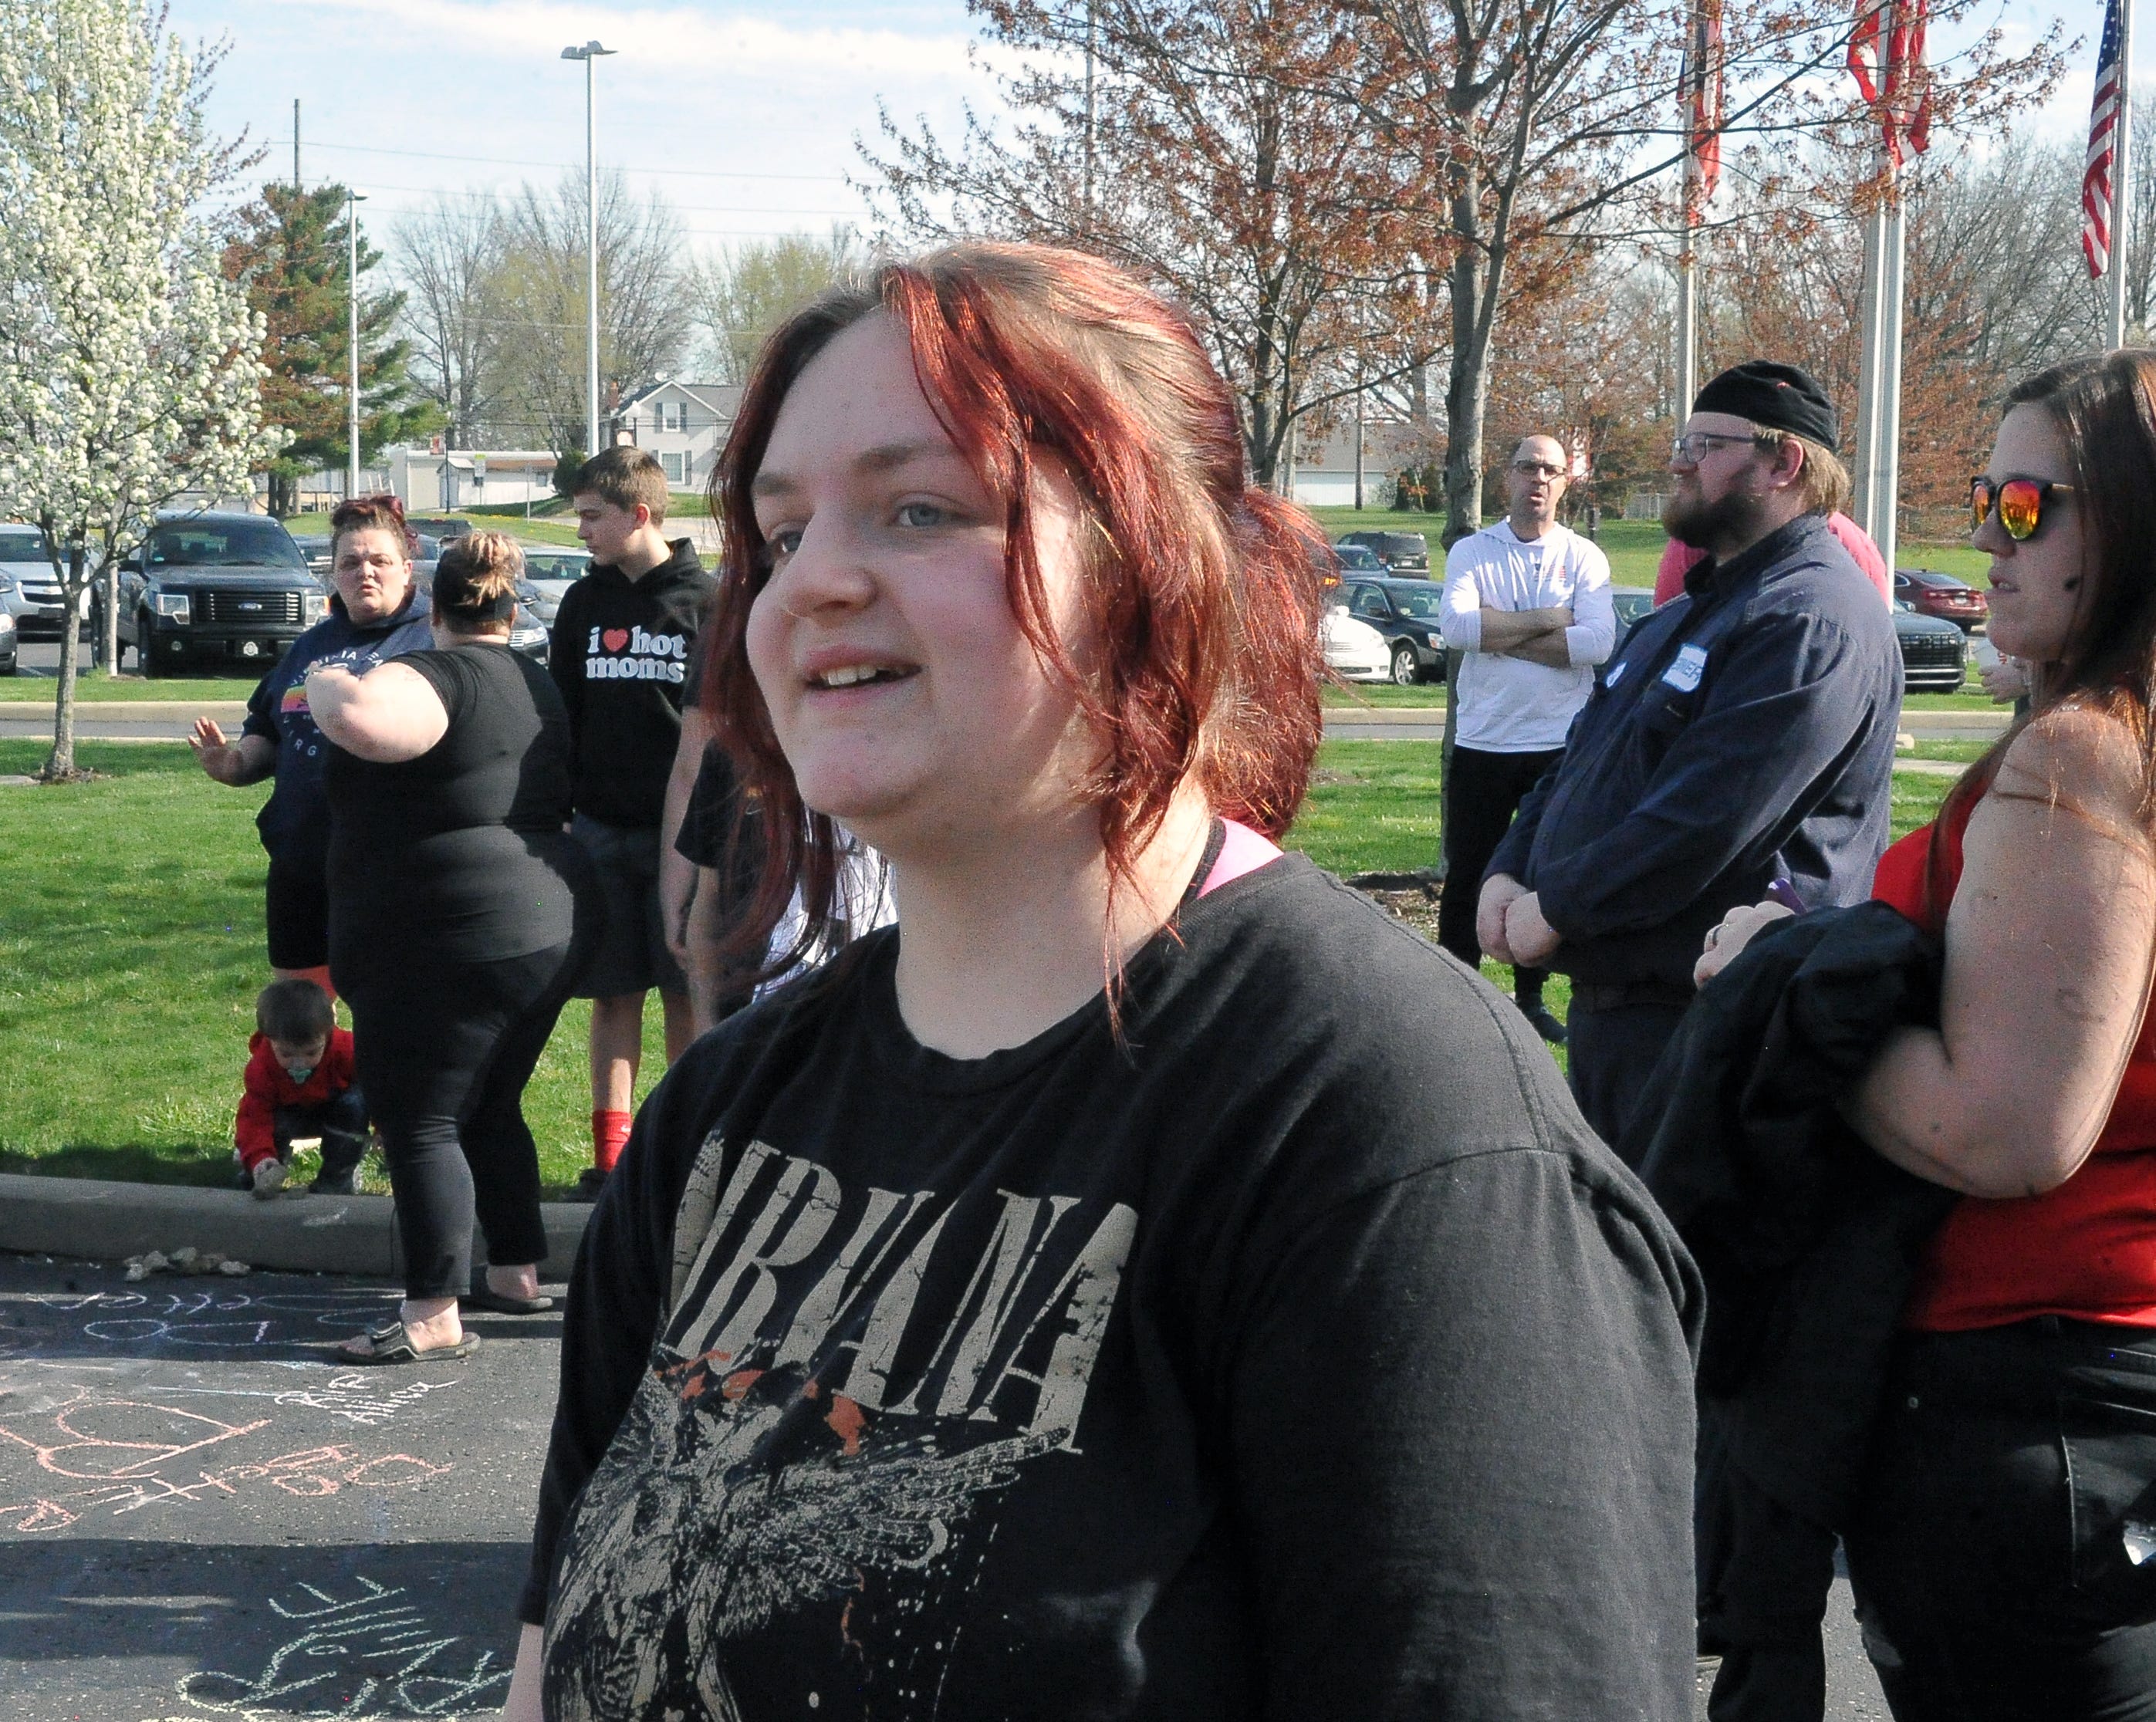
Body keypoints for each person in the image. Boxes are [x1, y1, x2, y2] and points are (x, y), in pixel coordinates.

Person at [501, 242, 1701, 1722]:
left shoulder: (1401, 1141)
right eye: (780, 526)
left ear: (1154, 569)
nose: (813, 581)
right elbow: (558, 1667)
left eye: (919, 507)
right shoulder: (722, 1120)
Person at [1697, 349, 2156, 1719]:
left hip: (2028, 1398)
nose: (1984, 536)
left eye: (2028, 505)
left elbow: (2008, 1127)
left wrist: (1778, 978)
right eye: (1982, 495)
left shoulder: (2084, 753)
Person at [1478, 360, 1904, 1153]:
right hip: (1626, 1020)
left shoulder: (1810, 618)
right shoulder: (1685, 616)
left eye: (1705, 444)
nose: (1678, 461)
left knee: (1681, 1271)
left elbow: (1707, 818)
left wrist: (1558, 906)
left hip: (1714, 1032)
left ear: (1784, 465)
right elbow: (1581, 762)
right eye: (1683, 440)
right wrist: (1508, 865)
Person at [308, 532, 596, 1365]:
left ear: (434, 607)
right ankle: (513, 1272)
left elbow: (364, 724)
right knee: (490, 1104)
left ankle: (432, 1312)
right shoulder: (532, 680)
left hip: (447, 933)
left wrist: (327, 678)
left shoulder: (428, 674)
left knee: (421, 1117)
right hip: (548, 922)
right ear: (511, 608)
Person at [549, 447, 718, 1199]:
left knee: (685, 995)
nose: (580, 529)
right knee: (612, 996)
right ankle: (611, 1157)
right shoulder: (584, 605)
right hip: (599, 832)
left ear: (638, 515)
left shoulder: (702, 602)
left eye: (591, 515)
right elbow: (561, 717)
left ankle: (680, 1152)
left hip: (684, 840)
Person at [188, 493, 433, 998]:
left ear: (407, 570)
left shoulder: (430, 641)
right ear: (333, 574)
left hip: (390, 870)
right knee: (301, 1015)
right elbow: (271, 729)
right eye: (351, 562)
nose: (365, 573)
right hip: (302, 862)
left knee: (389, 1008)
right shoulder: (311, 645)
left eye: (380, 561)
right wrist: (233, 764)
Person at [1436, 432, 1614, 1043]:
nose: (1538, 480)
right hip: (1484, 743)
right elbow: (1457, 629)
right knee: (1468, 877)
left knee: (1541, 877)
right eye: (1527, 468)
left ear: (1566, 483)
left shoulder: (1584, 557)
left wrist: (1500, 631)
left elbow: (1598, 644)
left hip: (1558, 745)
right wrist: (1549, 621)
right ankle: (1455, 998)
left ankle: (1531, 1002)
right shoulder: (1473, 552)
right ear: (1506, 476)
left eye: (1551, 471)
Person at [234, 977, 365, 1199]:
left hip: (337, 1111)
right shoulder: (262, 1068)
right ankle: (266, 1169)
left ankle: (337, 1179)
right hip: (290, 1113)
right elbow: (254, 1117)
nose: (299, 1063)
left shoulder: (347, 1051)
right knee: (267, 1133)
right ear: (269, 1039)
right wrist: (260, 1157)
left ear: (328, 1033)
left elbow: (380, 1089)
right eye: (286, 1054)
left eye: (311, 1053)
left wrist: (386, 1130)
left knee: (357, 1103)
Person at [1654, 509, 1893, 608]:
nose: (1682, 465)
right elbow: (1665, 621)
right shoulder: (1698, 536)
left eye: (1714, 446)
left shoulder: (1848, 541)